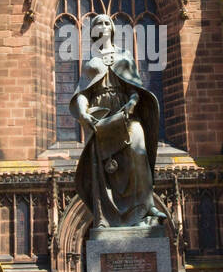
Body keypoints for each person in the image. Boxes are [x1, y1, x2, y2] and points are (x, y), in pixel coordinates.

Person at [69, 14, 166, 228]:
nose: (102, 27)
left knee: (139, 152)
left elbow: (135, 88)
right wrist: (83, 113)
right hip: (101, 118)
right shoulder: (91, 61)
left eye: (106, 23)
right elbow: (83, 92)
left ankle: (145, 209)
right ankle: (104, 219)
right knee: (102, 171)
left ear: (112, 29)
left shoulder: (124, 55)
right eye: (97, 24)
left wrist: (132, 101)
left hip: (126, 114)